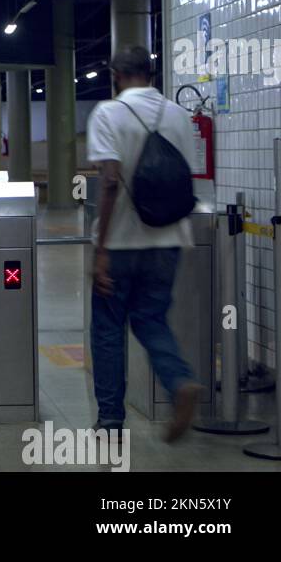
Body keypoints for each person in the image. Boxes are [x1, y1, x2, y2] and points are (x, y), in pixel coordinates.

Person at [86, 45, 202, 443]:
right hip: (168, 239)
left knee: (107, 329)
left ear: (116, 75)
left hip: (120, 244)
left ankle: (112, 421)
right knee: (152, 320)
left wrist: (101, 249)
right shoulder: (180, 115)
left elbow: (111, 181)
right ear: (151, 74)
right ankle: (179, 381)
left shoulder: (108, 113)